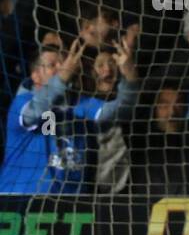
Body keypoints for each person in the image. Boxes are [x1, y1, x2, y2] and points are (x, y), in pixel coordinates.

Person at [0, 35, 139, 194]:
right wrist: (62, 77)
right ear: (35, 76)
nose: (61, 68)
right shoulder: (23, 102)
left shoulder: (80, 103)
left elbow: (120, 111)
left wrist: (129, 77)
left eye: (63, 63)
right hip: (16, 202)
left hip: (70, 206)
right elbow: (34, 112)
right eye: (53, 65)